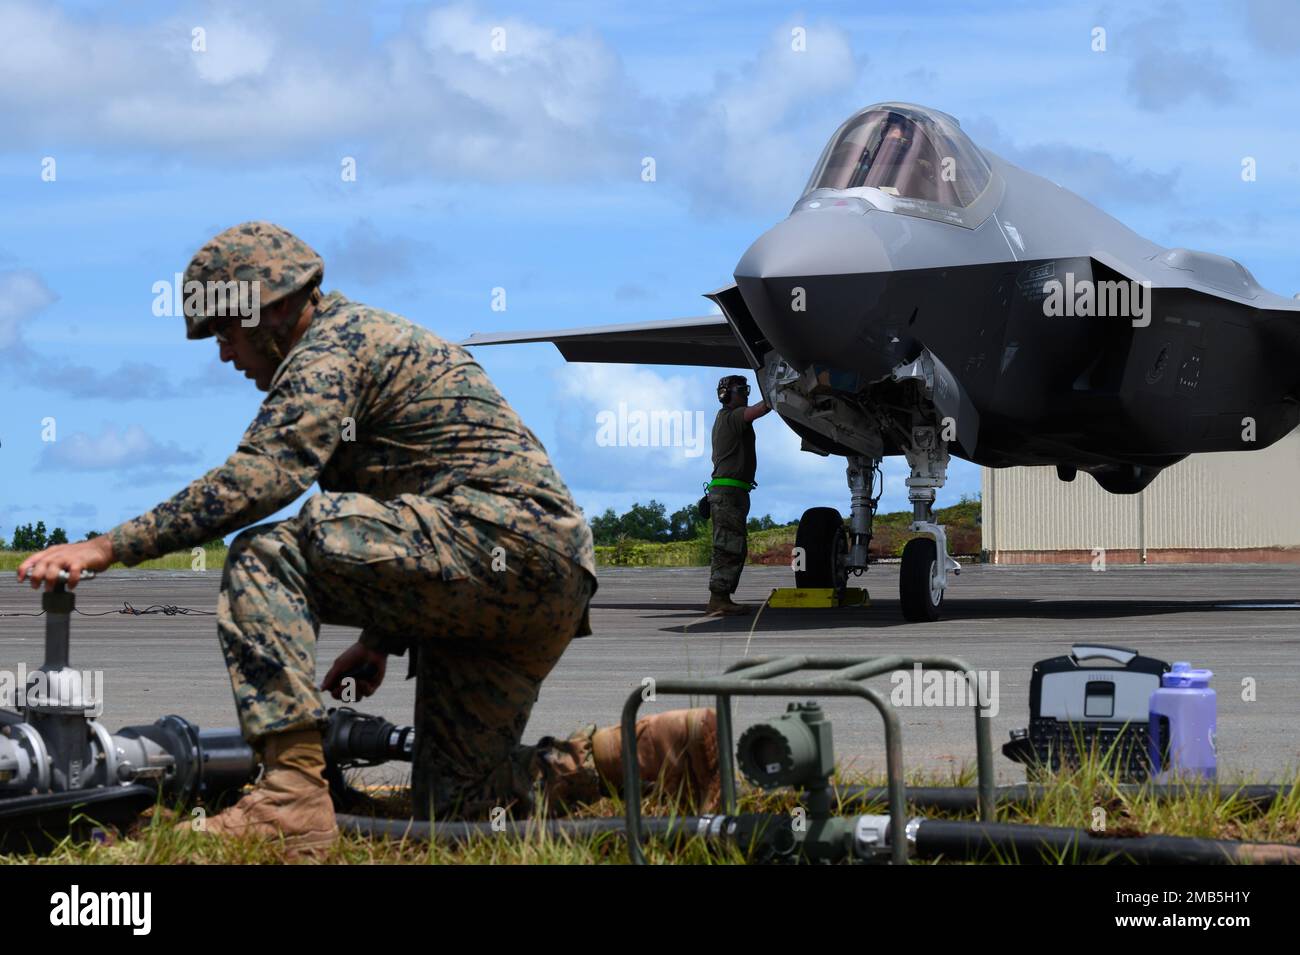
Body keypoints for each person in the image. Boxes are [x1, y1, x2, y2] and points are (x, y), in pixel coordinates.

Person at [17, 222, 719, 853]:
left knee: (267, 552)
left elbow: (264, 476)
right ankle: (654, 750)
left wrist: (108, 546)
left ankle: (290, 799)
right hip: (540, 573)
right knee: (456, 808)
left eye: (225, 333)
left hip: (500, 539)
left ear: (270, 310)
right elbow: (416, 499)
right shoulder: (363, 343)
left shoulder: (329, 352)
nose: (225, 356)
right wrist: (382, 637)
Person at [706, 375, 770, 615]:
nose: (746, 395)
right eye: (742, 391)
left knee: (733, 544)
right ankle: (718, 599)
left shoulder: (729, 418)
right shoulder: (731, 417)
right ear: (726, 395)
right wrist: (777, 396)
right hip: (728, 493)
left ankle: (721, 597)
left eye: (747, 390)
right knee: (728, 546)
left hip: (733, 492)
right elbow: (759, 409)